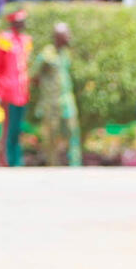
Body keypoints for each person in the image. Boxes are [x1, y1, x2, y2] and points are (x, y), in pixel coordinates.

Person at [29, 21, 82, 167]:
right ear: (58, 37)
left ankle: (75, 164)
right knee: (51, 137)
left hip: (67, 101)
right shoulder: (47, 54)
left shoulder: (65, 53)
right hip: (52, 103)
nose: (69, 37)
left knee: (73, 132)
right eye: (66, 35)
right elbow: (34, 76)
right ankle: (53, 166)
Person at [0, 9, 32, 167]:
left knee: (18, 128)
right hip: (9, 90)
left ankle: (17, 159)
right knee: (9, 127)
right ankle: (8, 160)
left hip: (22, 92)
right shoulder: (5, 39)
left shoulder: (26, 40)